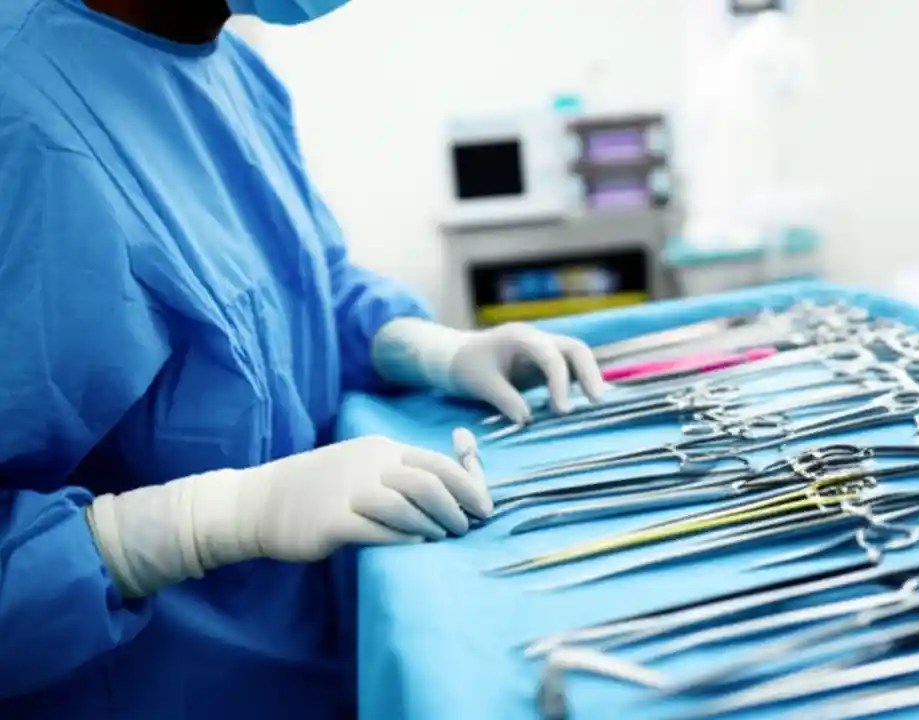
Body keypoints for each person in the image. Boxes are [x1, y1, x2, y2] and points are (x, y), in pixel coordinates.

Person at [0, 0, 608, 717]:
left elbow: (300, 285)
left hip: (312, 663)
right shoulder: (21, 120)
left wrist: (429, 349)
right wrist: (199, 524)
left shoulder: (228, 61)